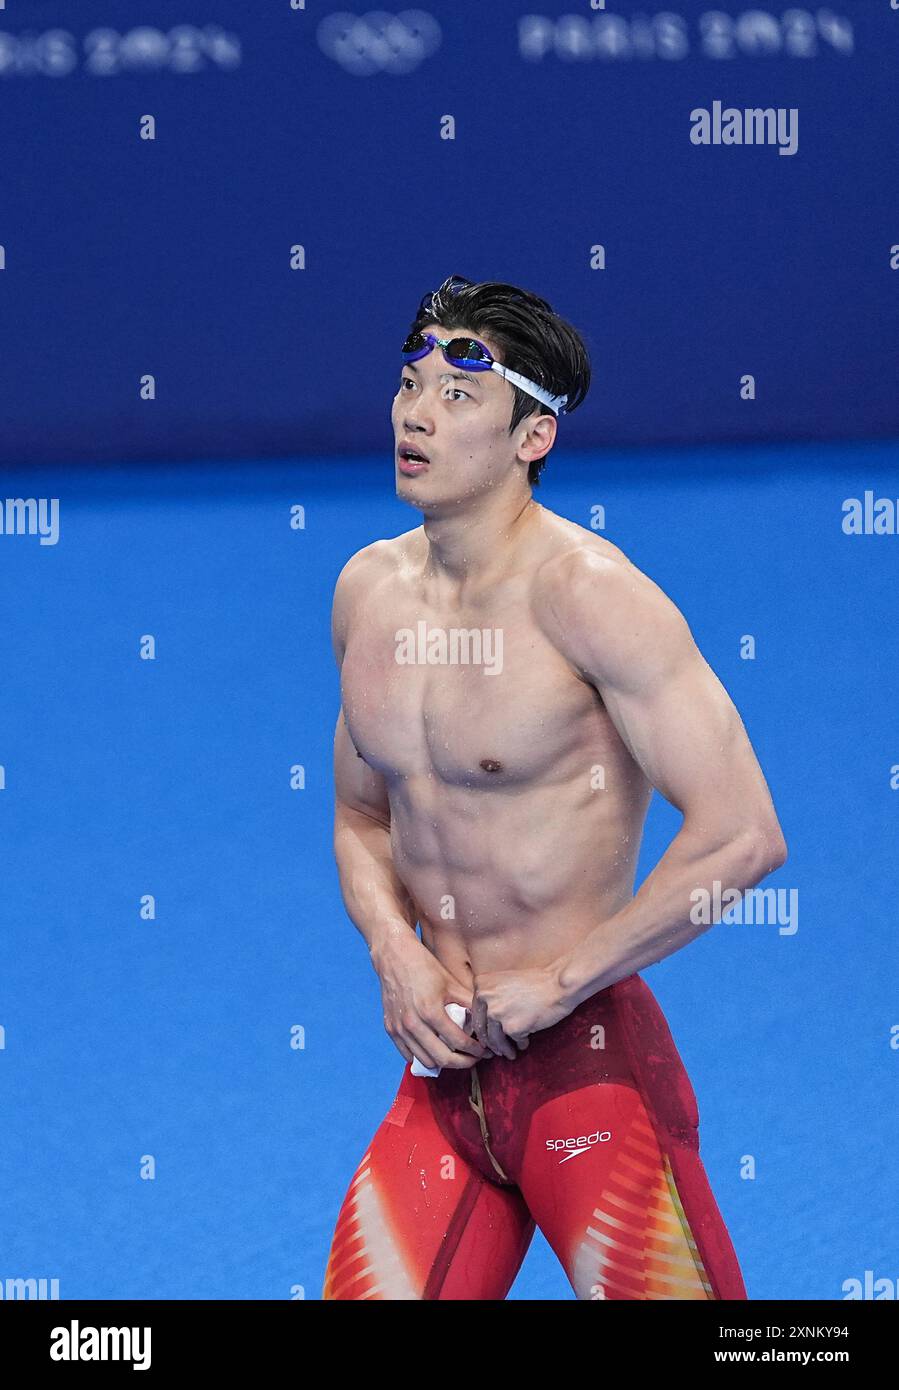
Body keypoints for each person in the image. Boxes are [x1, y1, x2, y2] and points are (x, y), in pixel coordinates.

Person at [321, 275, 786, 1300]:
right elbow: (360, 814)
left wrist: (560, 979)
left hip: (588, 1072)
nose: (413, 414)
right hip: (442, 1087)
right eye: (409, 386)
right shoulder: (367, 593)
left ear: (533, 438)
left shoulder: (591, 598)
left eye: (456, 398)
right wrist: (394, 951)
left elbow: (742, 834)